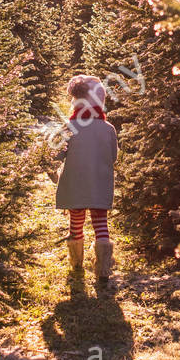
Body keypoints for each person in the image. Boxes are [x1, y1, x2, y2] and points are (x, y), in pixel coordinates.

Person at [54, 75, 118, 280]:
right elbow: (114, 157)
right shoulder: (109, 129)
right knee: (101, 223)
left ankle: (76, 262)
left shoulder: (69, 128)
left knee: (76, 220)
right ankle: (103, 269)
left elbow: (56, 155)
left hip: (75, 184)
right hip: (99, 183)